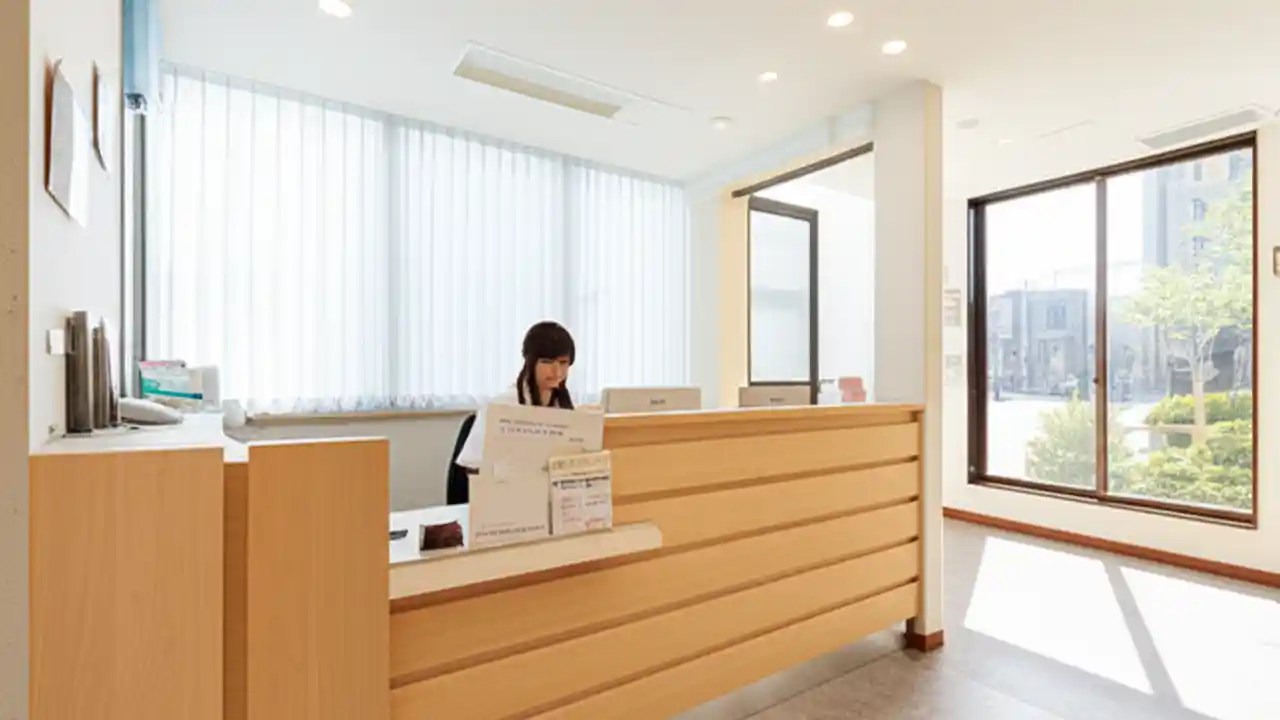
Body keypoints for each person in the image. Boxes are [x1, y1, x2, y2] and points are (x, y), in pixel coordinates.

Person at [454, 321, 576, 472]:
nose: (557, 372)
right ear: (530, 362)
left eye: (563, 363)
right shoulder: (502, 406)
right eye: (547, 362)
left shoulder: (566, 406)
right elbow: (473, 467)